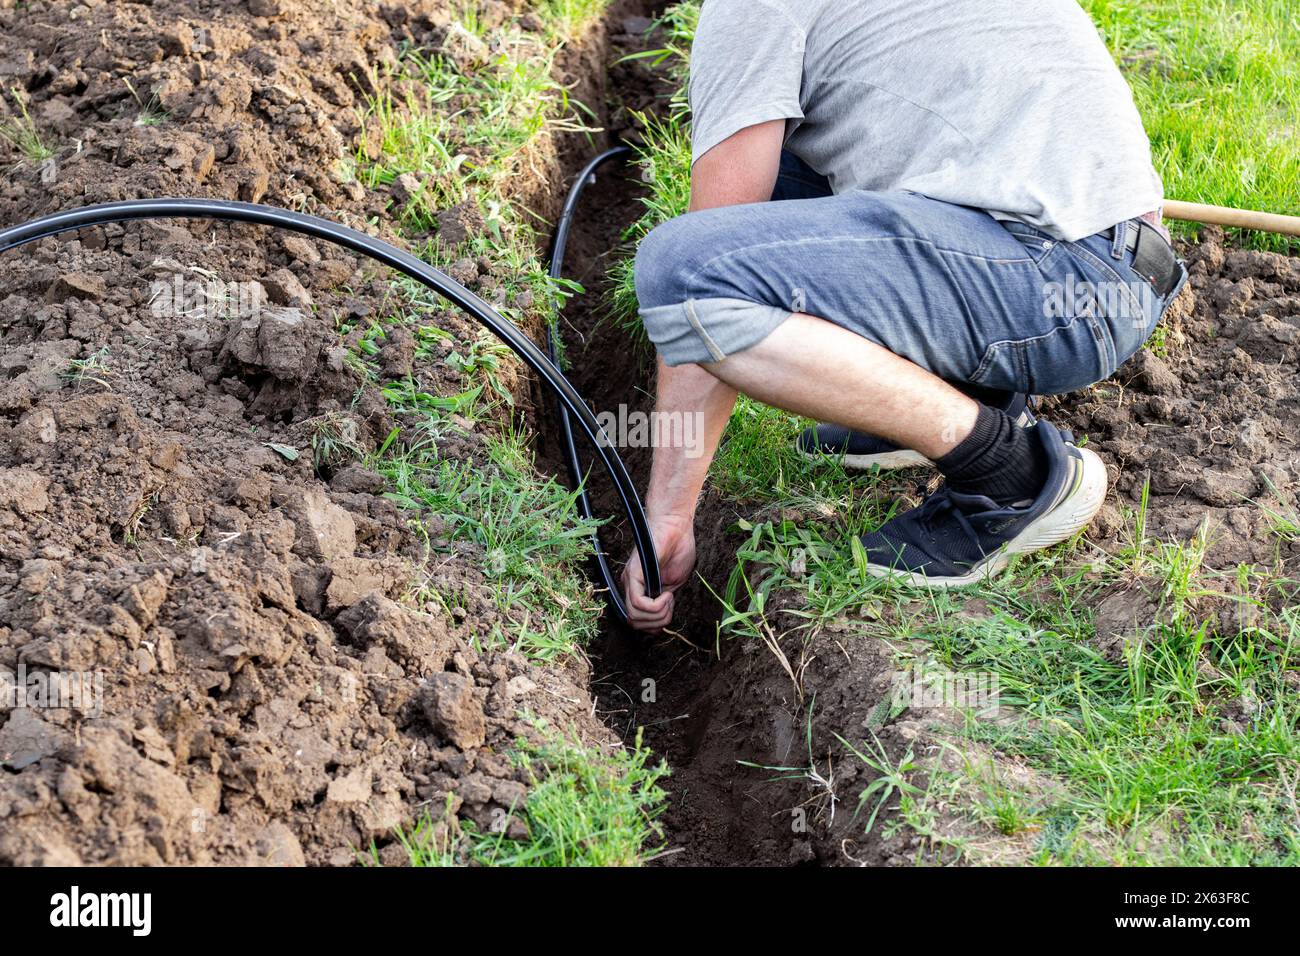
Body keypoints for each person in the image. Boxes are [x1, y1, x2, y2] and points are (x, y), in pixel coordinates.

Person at [621, 0, 1187, 631]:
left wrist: (668, 513)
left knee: (681, 271)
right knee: (784, 166)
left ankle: (1009, 472)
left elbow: (702, 273)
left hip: (1057, 280)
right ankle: (948, 396)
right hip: (1111, 261)